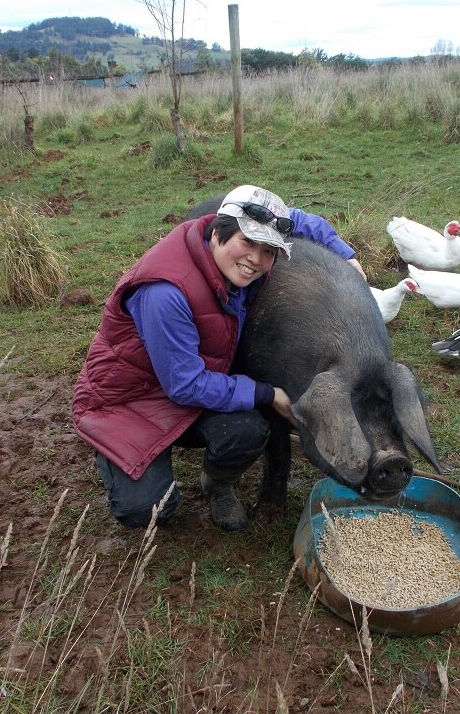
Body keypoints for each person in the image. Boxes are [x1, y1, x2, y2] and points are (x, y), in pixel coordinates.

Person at [72, 185, 365, 532]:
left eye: (268, 250)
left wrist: (346, 256)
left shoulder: (228, 262)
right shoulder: (167, 292)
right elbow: (185, 385)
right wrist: (268, 393)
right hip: (130, 401)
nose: (255, 259)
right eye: (248, 242)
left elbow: (298, 220)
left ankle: (217, 483)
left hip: (190, 383)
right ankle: (115, 454)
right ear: (217, 231)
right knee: (146, 510)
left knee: (249, 429)